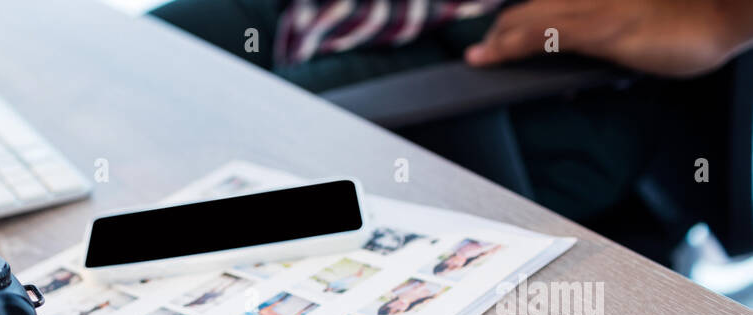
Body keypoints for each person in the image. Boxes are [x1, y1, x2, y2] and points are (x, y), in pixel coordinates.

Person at [151, 0, 753, 225]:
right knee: (113, 65)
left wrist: (720, 16)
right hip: (329, 14)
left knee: (178, 164)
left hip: (503, 55)